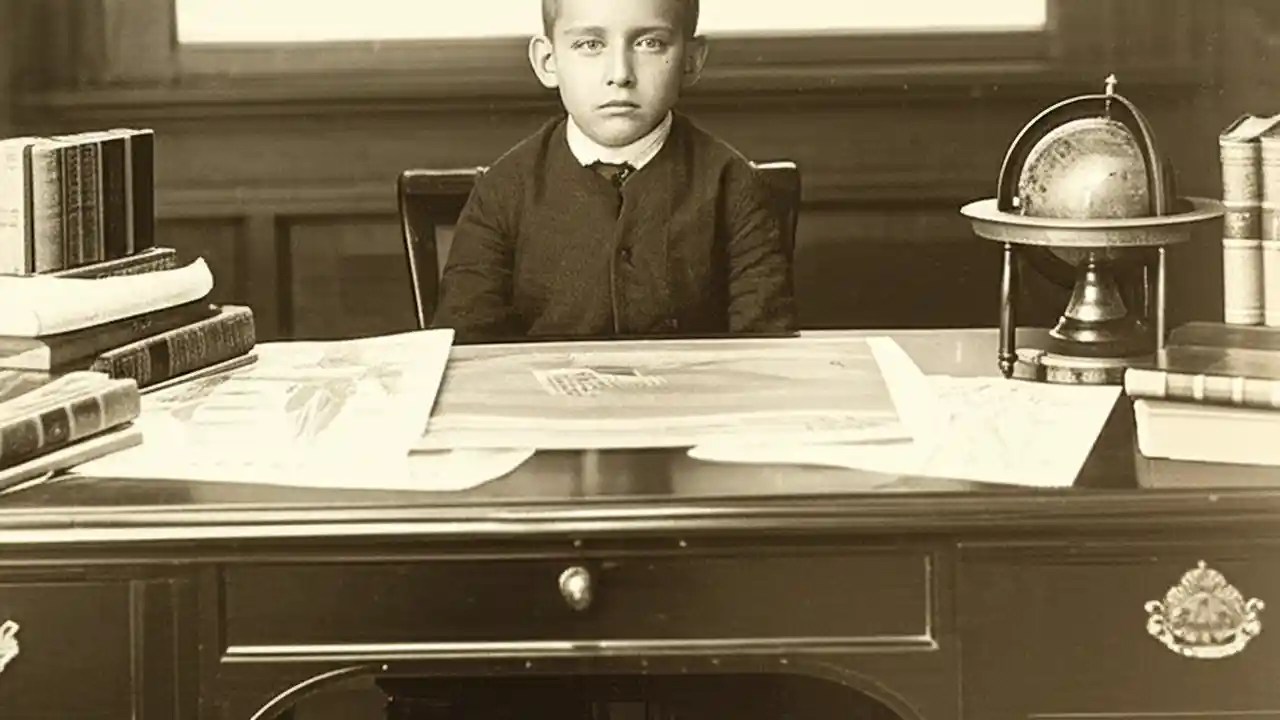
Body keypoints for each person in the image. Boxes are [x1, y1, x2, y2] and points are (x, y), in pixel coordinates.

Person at [432, 0, 796, 343]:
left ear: (691, 59)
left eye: (650, 43)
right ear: (548, 61)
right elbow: (467, 351)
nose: (620, 74)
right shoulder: (502, 191)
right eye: (590, 44)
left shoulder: (734, 187)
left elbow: (763, 355)